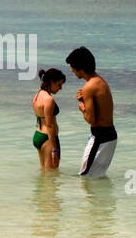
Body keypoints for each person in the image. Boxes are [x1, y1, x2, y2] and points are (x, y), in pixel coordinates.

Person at [66, 46, 117, 178]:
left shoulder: (89, 87)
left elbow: (90, 119)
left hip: (101, 137)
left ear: (79, 67)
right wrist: (84, 100)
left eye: (72, 67)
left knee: (85, 178)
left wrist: (81, 106)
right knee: (95, 179)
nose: (71, 70)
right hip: (109, 135)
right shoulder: (100, 81)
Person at [32, 68, 66, 171]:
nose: (60, 88)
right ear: (52, 82)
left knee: (44, 172)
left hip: (38, 135)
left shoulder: (38, 95)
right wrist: (54, 149)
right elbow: (50, 125)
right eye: (59, 85)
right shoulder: (49, 99)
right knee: (51, 177)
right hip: (48, 138)